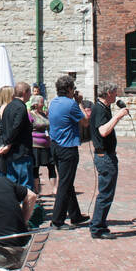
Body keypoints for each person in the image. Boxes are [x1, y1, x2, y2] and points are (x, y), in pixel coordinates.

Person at [47, 76, 90, 229]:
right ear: (70, 89)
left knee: (67, 181)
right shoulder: (71, 104)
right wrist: (79, 102)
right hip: (67, 147)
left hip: (55, 146)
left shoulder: (53, 103)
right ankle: (57, 220)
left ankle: (75, 215)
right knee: (65, 184)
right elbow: (85, 121)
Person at [88, 83, 128, 239]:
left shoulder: (104, 108)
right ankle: (96, 227)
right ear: (109, 93)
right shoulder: (99, 109)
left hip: (108, 155)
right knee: (105, 193)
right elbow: (103, 131)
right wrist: (118, 116)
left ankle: (101, 224)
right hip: (104, 157)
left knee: (107, 193)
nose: (116, 96)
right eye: (115, 93)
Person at [0, 82, 35, 191]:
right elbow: (16, 128)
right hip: (21, 152)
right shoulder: (21, 108)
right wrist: (7, 142)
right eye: (29, 93)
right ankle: (24, 207)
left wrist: (3, 143)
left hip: (11, 153)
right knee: (25, 185)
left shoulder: (8, 106)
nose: (30, 95)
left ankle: (12, 206)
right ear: (24, 93)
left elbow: (2, 128)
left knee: (11, 184)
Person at [28, 93, 54, 196]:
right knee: (36, 167)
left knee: (51, 165)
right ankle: (36, 190)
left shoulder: (44, 114)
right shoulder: (30, 114)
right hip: (35, 145)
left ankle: (54, 189)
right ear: (36, 103)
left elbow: (48, 126)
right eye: (41, 102)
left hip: (47, 144)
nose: (43, 104)